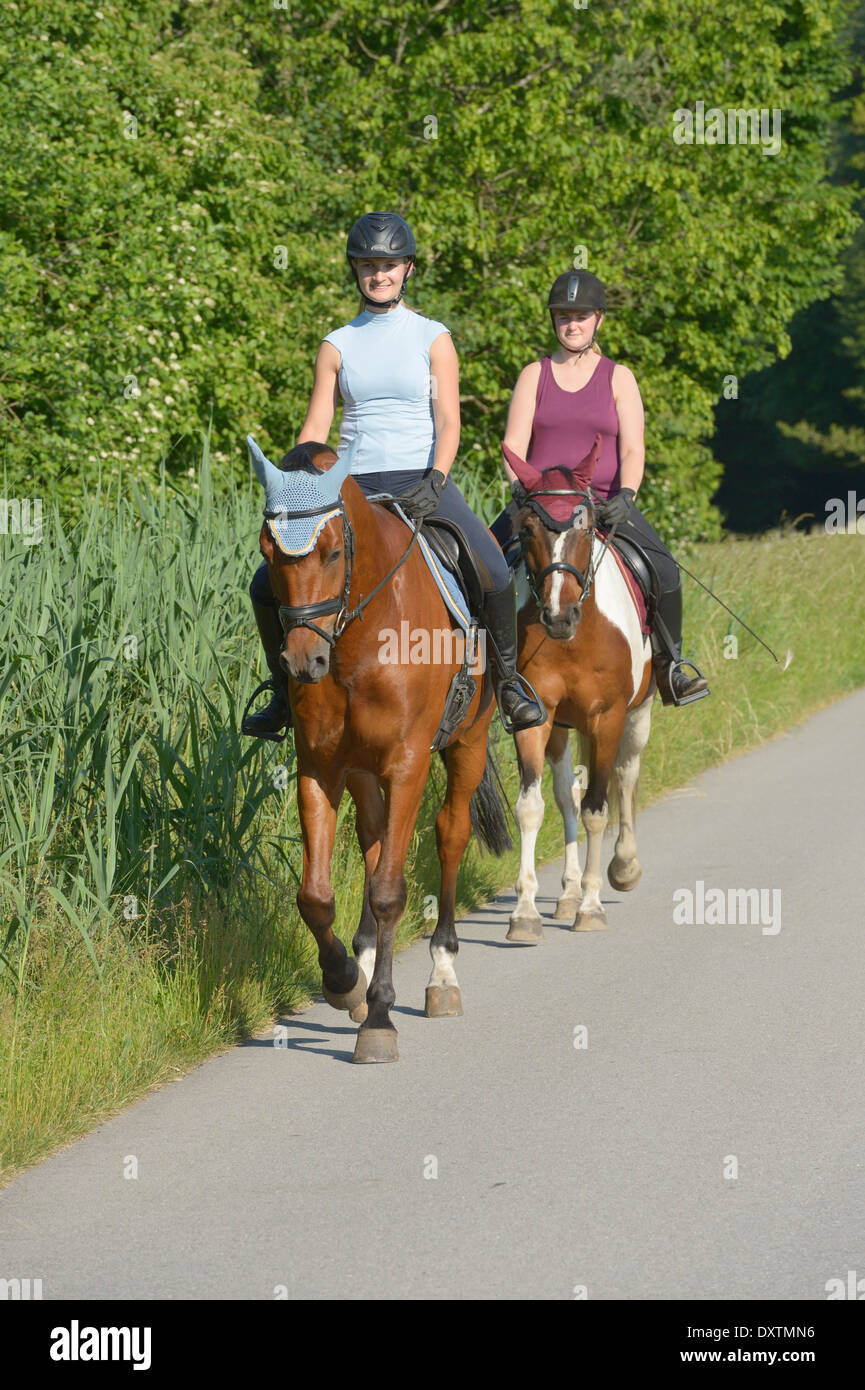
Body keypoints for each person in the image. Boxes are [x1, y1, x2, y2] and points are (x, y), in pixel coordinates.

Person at [242, 210, 546, 739]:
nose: (378, 274)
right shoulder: (336, 344)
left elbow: (449, 418)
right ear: (355, 271)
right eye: (367, 265)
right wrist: (298, 482)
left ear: (407, 269)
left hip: (421, 481)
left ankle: (510, 682)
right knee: (266, 582)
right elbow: (317, 424)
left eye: (388, 264)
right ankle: (281, 695)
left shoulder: (433, 337)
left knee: (495, 570)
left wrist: (437, 475)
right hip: (351, 487)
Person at [490, 271, 709, 706]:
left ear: (598, 321)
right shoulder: (535, 374)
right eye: (564, 316)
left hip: (605, 504)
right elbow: (513, 445)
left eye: (581, 316)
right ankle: (481, 669)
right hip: (541, 506)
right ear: (554, 321)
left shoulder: (618, 377)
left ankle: (670, 667)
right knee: (486, 567)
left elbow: (632, 447)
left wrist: (626, 496)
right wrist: (521, 491)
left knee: (664, 570)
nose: (572, 324)